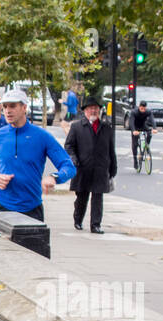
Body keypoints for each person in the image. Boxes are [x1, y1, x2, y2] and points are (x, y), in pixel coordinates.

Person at [0, 88, 76, 222]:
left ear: (24, 107)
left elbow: (69, 167)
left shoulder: (42, 136)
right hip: (2, 207)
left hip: (32, 209)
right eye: (5, 106)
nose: (7, 110)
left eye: (12, 106)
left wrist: (54, 178)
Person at [64, 97, 116, 233]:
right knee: (82, 196)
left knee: (98, 197)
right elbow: (69, 146)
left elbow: (111, 149)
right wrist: (74, 159)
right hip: (83, 168)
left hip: (100, 167)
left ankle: (96, 225)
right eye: (90, 108)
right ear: (85, 111)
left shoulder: (106, 128)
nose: (93, 111)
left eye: (96, 108)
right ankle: (78, 219)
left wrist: (113, 168)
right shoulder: (77, 127)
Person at [129, 100, 154, 171]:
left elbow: (152, 119)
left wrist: (154, 128)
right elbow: (131, 122)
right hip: (135, 127)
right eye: (141, 108)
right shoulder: (134, 112)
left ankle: (146, 146)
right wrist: (133, 131)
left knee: (149, 133)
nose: (143, 110)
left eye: (144, 108)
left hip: (143, 125)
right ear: (139, 107)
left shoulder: (148, 111)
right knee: (135, 144)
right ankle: (135, 161)